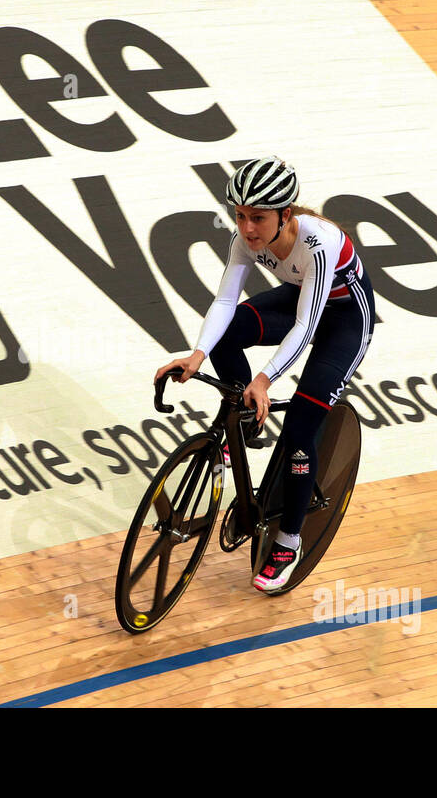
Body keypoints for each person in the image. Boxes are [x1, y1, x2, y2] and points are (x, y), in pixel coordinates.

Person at [153, 157, 376, 593]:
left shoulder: (320, 242)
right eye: (240, 216)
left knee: (299, 431)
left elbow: (307, 326)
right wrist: (198, 354)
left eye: (258, 218)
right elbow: (224, 301)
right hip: (300, 301)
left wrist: (266, 378)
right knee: (226, 334)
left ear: (285, 215)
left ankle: (288, 541)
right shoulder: (245, 238)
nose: (248, 228)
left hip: (345, 320)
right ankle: (242, 427)